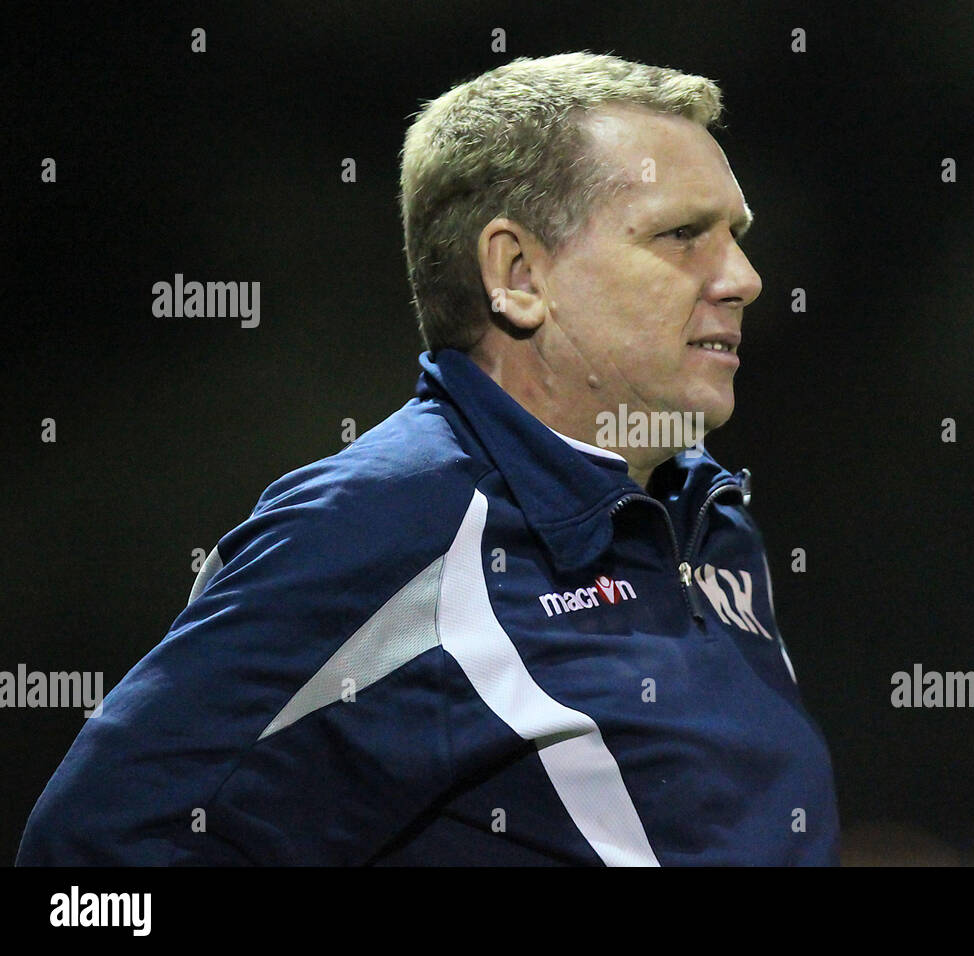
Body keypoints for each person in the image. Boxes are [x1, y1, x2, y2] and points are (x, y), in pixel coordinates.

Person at [17, 52, 840, 866]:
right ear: (517, 275)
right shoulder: (380, 524)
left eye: (734, 235)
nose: (743, 277)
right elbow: (86, 865)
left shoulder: (707, 517)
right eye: (683, 235)